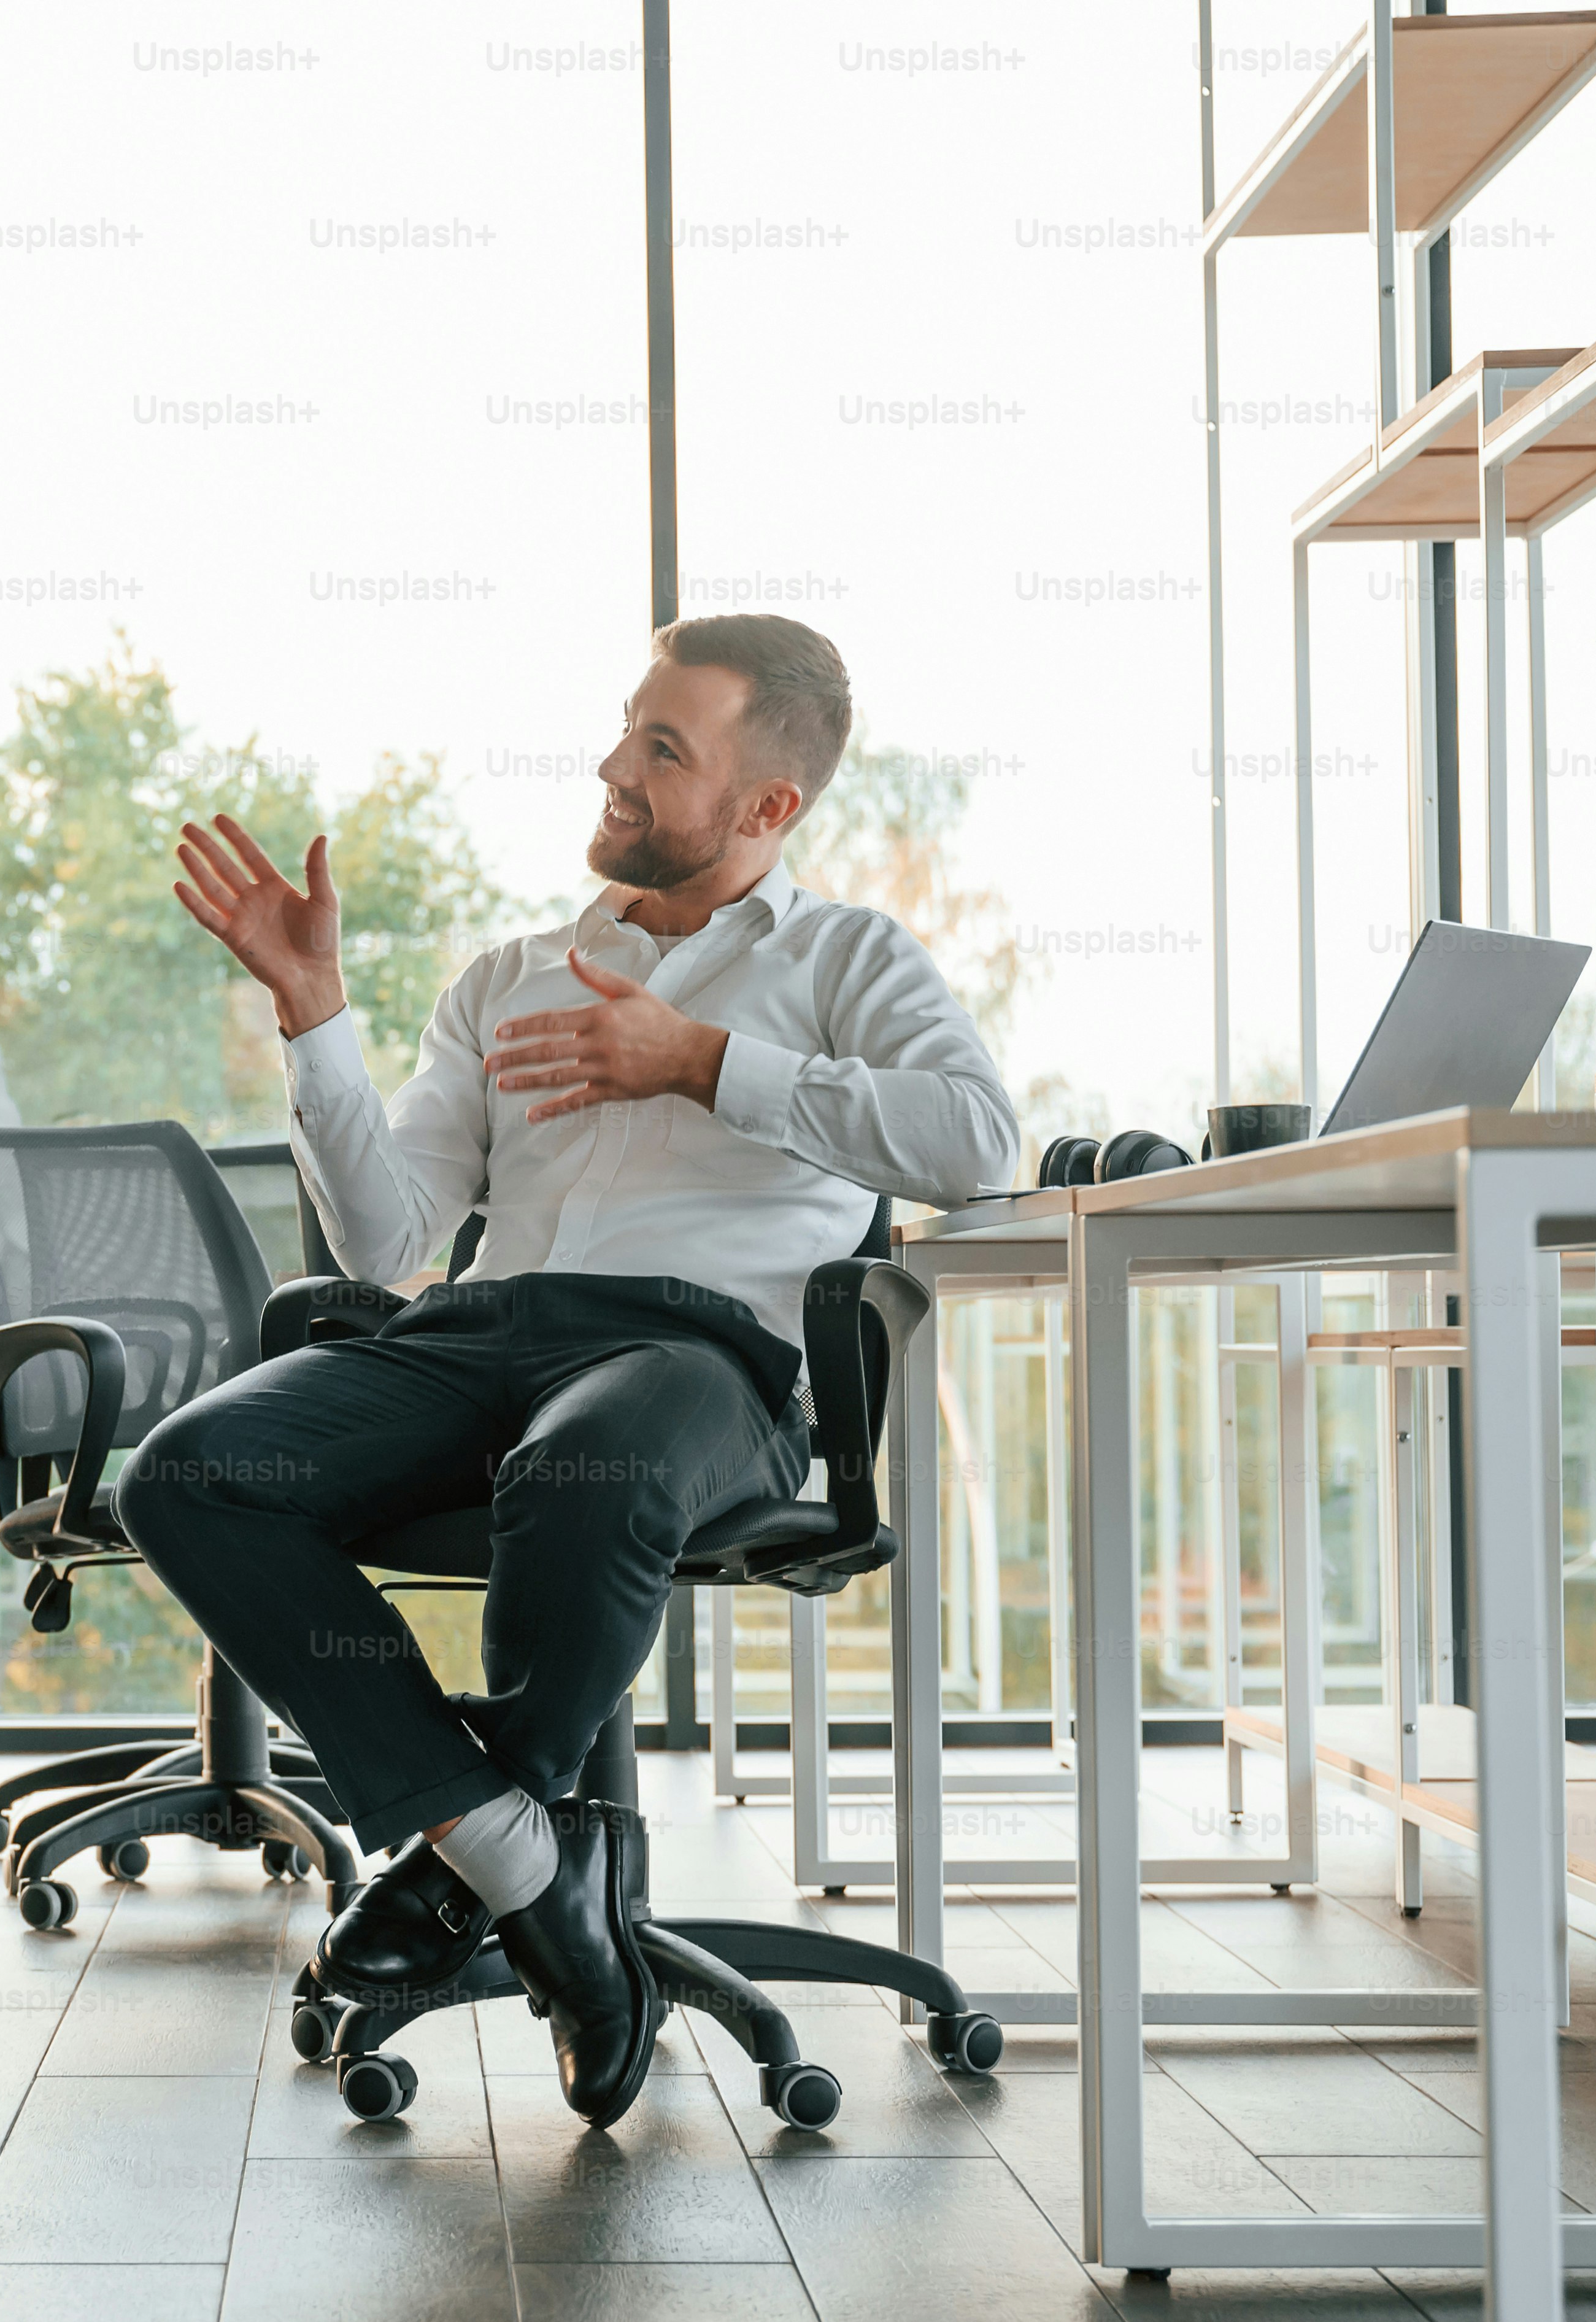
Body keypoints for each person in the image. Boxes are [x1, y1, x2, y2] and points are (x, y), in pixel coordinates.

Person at [118, 613, 1014, 2129]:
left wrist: (703, 1063)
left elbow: (977, 1143)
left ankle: (468, 1868)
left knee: (580, 1465)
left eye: (664, 749)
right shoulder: (509, 974)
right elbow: (390, 1237)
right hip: (474, 1336)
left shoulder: (846, 956)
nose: (613, 765)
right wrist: (314, 1017)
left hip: (699, 1355)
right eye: (626, 727)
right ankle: (531, 1868)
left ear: (767, 807)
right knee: (188, 1475)